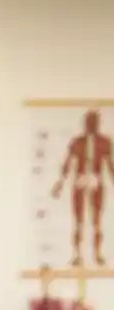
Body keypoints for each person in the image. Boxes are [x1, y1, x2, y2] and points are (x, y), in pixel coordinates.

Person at [51, 109, 112, 267]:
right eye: (89, 122)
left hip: (96, 179)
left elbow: (110, 165)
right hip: (80, 179)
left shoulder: (104, 142)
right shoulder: (77, 142)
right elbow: (67, 163)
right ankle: (77, 254)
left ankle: (97, 253)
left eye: (94, 122)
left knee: (97, 219)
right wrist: (60, 182)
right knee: (79, 220)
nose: (91, 125)